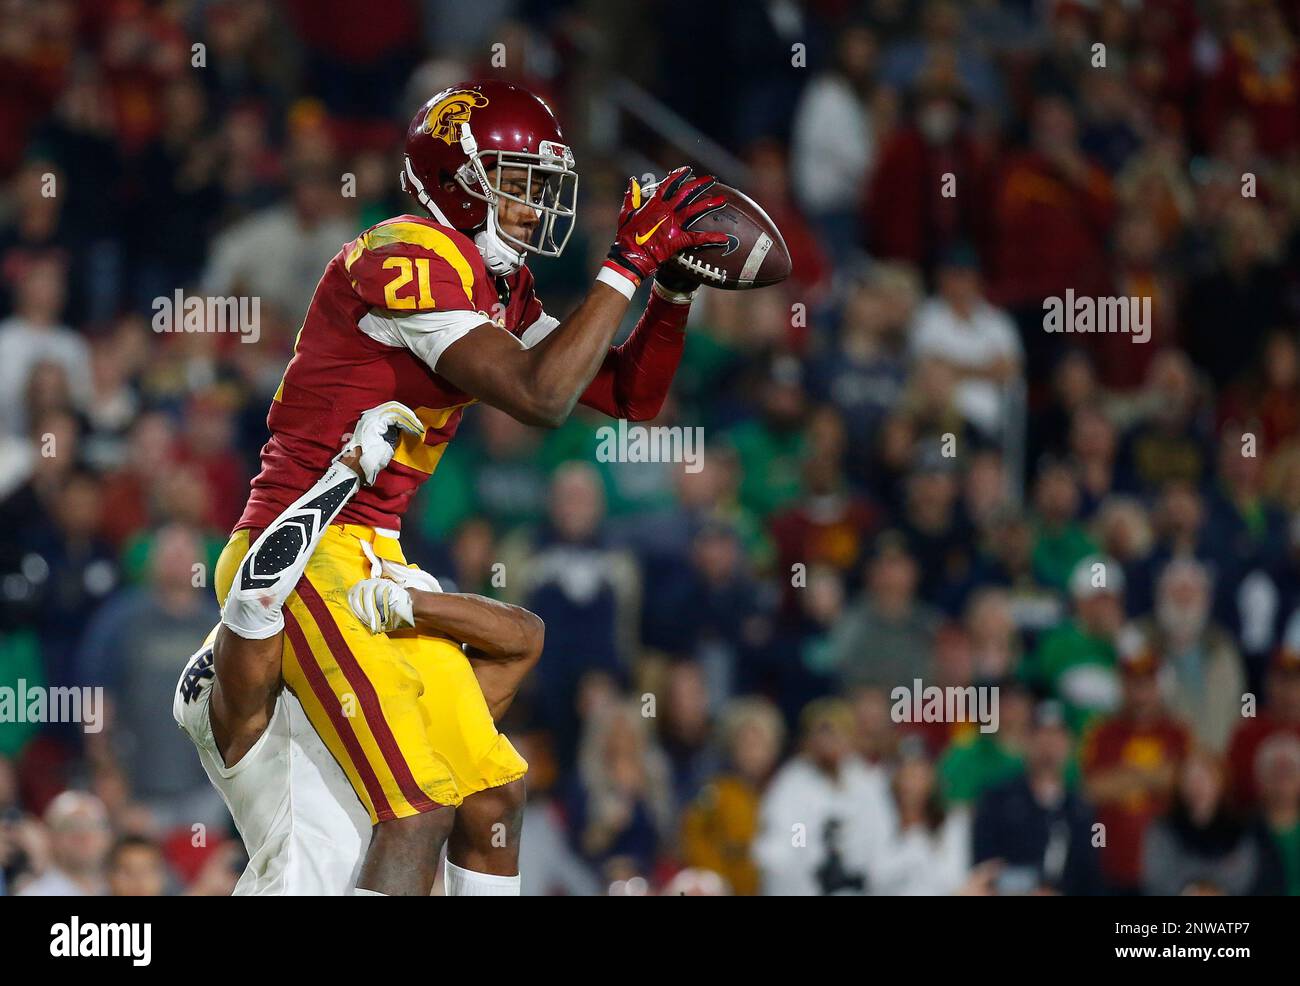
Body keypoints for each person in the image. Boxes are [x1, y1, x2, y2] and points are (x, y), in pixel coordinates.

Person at [213, 79, 732, 895]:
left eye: (541, 186)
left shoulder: (497, 283)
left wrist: (669, 290)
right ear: (456, 178)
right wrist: (628, 262)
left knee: (492, 795)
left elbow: (630, 395)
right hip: (303, 545)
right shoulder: (403, 253)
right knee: (416, 807)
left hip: (372, 552)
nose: (533, 206)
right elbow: (538, 395)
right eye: (516, 182)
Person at [177, 401, 546, 894]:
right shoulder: (249, 713)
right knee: (419, 814)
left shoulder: (372, 687)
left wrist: (414, 605)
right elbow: (254, 594)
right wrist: (346, 471)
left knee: (491, 795)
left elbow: (524, 640)